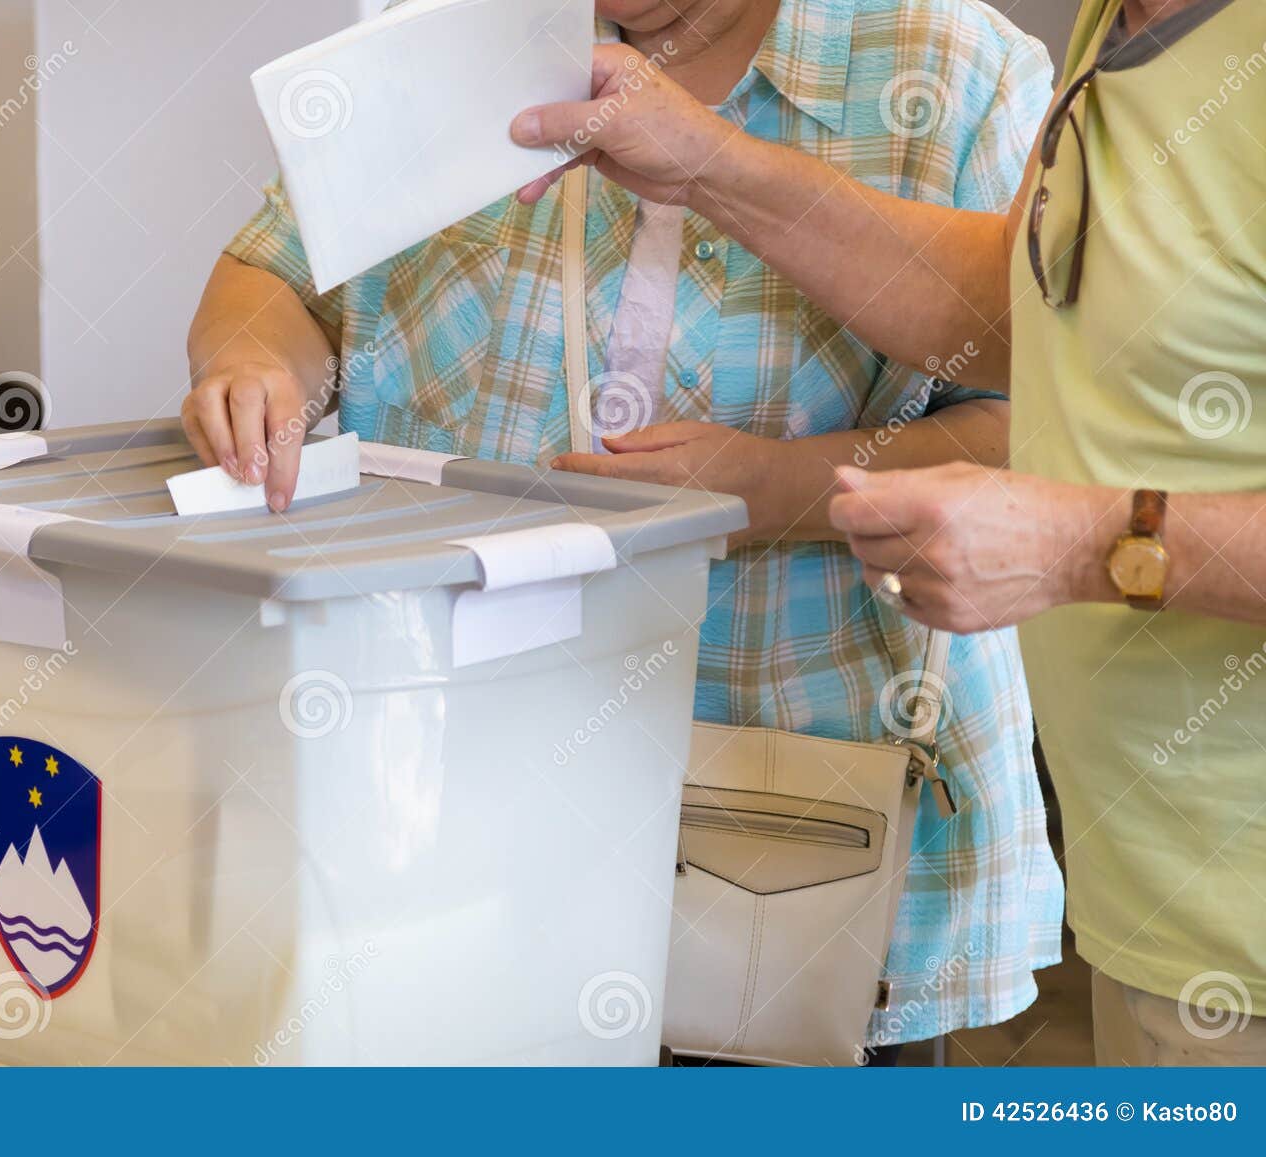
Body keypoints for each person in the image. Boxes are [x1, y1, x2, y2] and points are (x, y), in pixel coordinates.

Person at [184, 0, 1065, 1056]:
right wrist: (257, 364)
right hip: (454, 798)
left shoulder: (952, 71)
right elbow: (277, 272)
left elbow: (1043, 427)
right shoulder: (457, 37)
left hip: (797, 824)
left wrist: (777, 490)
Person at [529, 0, 1262, 1064]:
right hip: (1157, 906)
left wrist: (1078, 543)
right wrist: (708, 165)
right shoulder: (1124, 21)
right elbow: (1011, 306)